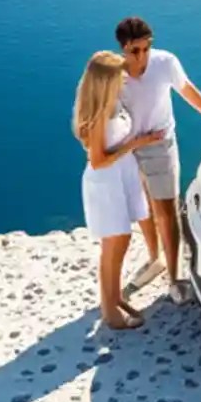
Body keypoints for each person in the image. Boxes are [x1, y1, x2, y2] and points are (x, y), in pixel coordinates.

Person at [115, 17, 201, 304]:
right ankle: (154, 259)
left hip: (160, 144)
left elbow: (187, 90)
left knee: (167, 210)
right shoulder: (114, 75)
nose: (142, 56)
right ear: (123, 49)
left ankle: (174, 277)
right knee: (142, 208)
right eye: (135, 51)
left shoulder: (165, 63)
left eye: (146, 48)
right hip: (130, 148)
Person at [72, 50, 165, 330]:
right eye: (119, 76)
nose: (125, 78)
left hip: (123, 175)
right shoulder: (100, 114)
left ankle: (113, 299)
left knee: (122, 242)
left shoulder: (113, 103)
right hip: (106, 181)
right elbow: (99, 160)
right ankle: (110, 312)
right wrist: (134, 145)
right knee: (113, 246)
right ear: (105, 82)